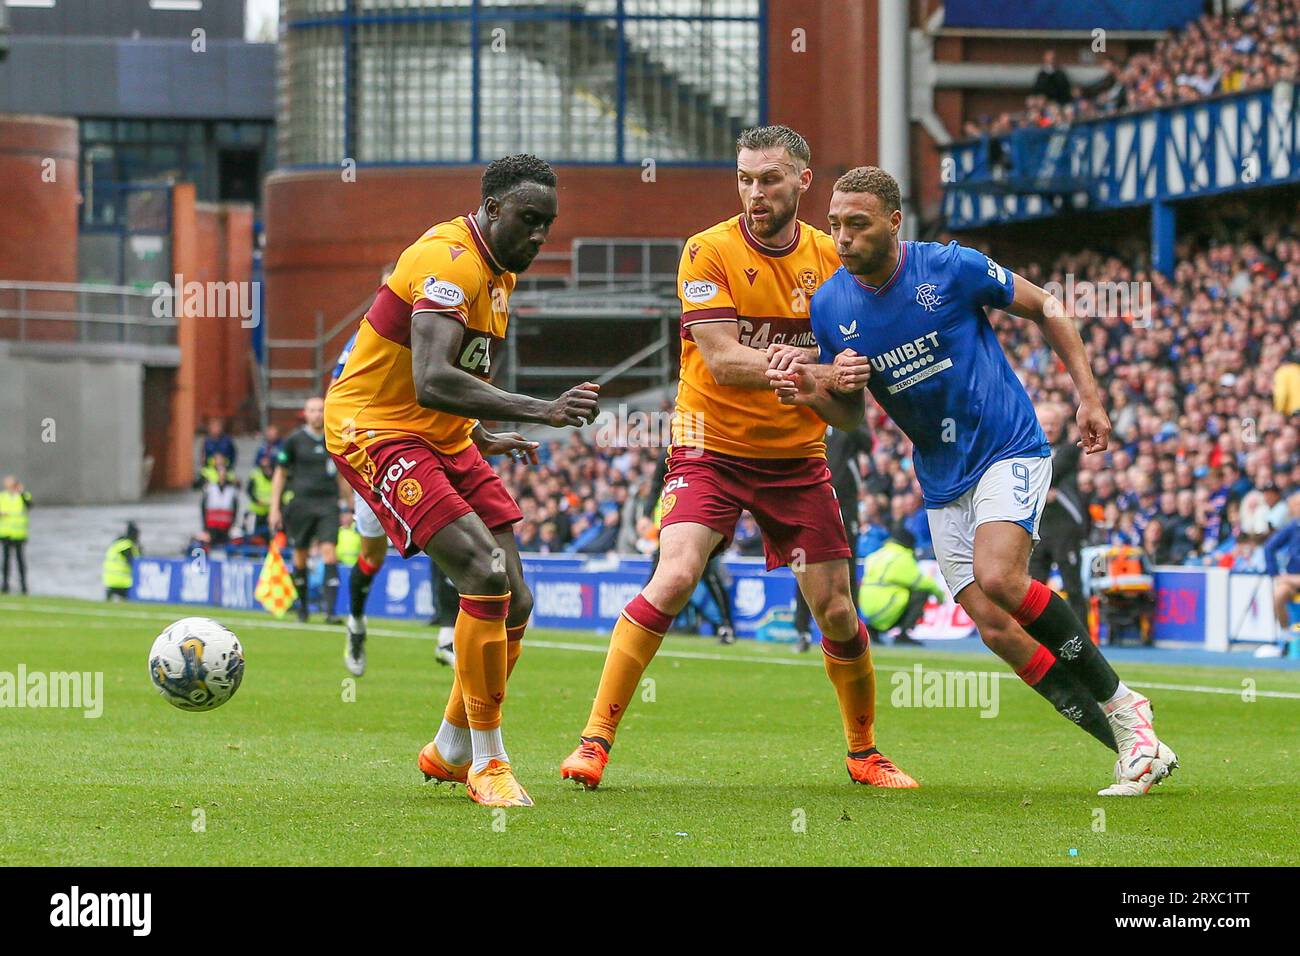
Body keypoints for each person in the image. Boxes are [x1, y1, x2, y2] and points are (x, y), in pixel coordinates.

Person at [775, 164, 1177, 796]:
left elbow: (1046, 304)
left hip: (1007, 445)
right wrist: (819, 389)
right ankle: (1135, 749)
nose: (843, 238)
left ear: (894, 222)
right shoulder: (829, 306)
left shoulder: (950, 266)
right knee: (995, 626)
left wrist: (1089, 396)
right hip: (940, 476)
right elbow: (851, 420)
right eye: (834, 226)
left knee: (1001, 577)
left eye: (857, 223)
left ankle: (1128, 707)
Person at [560, 126, 917, 792]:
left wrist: (820, 367)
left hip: (796, 457)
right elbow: (722, 361)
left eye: (770, 179)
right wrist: (805, 366)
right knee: (675, 574)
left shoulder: (831, 261)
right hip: (709, 451)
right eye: (745, 179)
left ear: (803, 181)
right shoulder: (708, 250)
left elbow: (850, 371)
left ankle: (865, 753)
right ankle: (594, 741)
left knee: (837, 611)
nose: (755, 192)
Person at [324, 154, 601, 808]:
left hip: (441, 434)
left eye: (549, 225)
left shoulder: (499, 273)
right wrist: (543, 409)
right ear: (493, 210)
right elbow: (431, 378)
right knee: (482, 571)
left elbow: (441, 379)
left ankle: (450, 747)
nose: (540, 236)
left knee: (519, 601)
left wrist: (481, 433)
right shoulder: (451, 262)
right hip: (376, 430)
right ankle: (488, 761)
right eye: (529, 221)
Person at [270, 396, 351, 626]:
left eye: (320, 410)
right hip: (301, 505)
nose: (317, 414)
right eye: (312, 410)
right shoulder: (294, 440)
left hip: (328, 504)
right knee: (300, 556)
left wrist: (348, 505)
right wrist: (274, 508)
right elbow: (280, 474)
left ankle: (330, 611)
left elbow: (341, 475)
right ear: (305, 414)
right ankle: (303, 609)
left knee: (330, 553)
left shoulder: (332, 439)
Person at [793, 423, 871, 651]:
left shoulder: (845, 417)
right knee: (804, 565)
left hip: (844, 504)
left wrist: (843, 415)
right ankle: (802, 630)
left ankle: (853, 632)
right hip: (810, 502)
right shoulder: (808, 415)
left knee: (848, 566)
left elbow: (866, 443)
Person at [1029, 403, 1090, 624]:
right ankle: (1035, 633)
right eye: (1045, 424)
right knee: (1033, 586)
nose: (1050, 428)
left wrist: (1039, 486)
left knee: (1073, 585)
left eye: (1054, 424)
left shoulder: (1069, 449)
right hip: (1038, 527)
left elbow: (1051, 473)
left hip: (1065, 528)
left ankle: (1083, 638)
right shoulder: (1028, 452)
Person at [857, 526, 945, 646]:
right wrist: (940, 596)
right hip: (885, 608)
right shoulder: (902, 556)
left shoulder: (876, 554)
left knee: (900, 589)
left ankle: (874, 628)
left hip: (866, 608)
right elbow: (921, 582)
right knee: (921, 592)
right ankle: (903, 633)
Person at [1263, 491, 1300, 633]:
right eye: (1295, 505)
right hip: (1292, 579)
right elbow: (1269, 547)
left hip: (1292, 578)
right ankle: (1286, 634)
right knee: (1279, 595)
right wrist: (1275, 573)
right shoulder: (1293, 527)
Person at [199, 454, 240, 551]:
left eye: (224, 472)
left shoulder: (231, 490)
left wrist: (233, 525)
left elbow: (235, 508)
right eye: (220, 472)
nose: (222, 474)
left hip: (226, 526)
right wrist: (205, 527)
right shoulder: (210, 488)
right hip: (212, 526)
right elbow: (203, 507)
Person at [0, 475, 31, 595]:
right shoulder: (2, 497)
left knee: (20, 561)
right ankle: (5, 585)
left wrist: (21, 492)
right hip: (6, 533)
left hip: (19, 534)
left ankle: (24, 586)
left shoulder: (23, 495)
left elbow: (29, 505)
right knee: (6, 560)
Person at [102, 522, 141, 601]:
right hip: (123, 583)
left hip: (109, 581)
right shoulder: (127, 546)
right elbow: (133, 563)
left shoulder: (117, 543)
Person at [196, 417, 237, 485]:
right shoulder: (207, 441)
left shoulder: (227, 440)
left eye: (217, 426)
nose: (215, 429)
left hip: (225, 468)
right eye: (213, 427)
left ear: (220, 428)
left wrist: (227, 464)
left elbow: (233, 454)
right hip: (210, 469)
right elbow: (203, 456)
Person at [244, 454, 275, 543]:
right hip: (256, 511)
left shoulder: (276, 476)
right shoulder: (256, 475)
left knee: (269, 537)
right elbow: (249, 491)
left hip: (270, 512)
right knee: (252, 535)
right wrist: (258, 501)